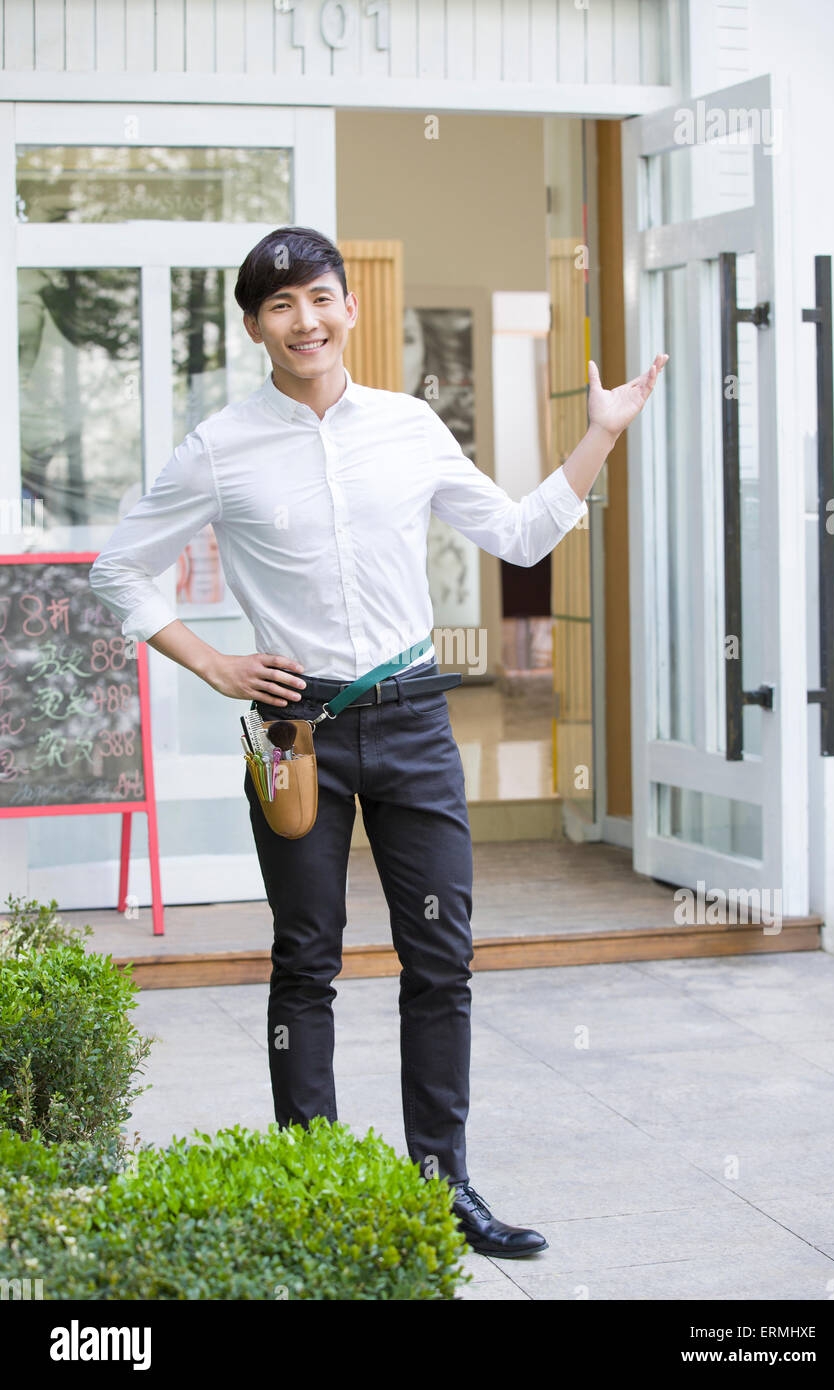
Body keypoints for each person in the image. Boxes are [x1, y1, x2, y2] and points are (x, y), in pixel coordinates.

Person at [89, 225, 668, 1260]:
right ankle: (309, 1189)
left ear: (349, 306)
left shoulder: (407, 426)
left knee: (439, 955)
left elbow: (519, 534)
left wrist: (601, 431)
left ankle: (442, 1183)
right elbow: (120, 569)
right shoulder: (219, 446)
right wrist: (214, 663)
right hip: (293, 732)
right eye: (278, 306)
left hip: (408, 719)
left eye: (317, 297)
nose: (302, 321)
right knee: (304, 958)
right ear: (256, 325)